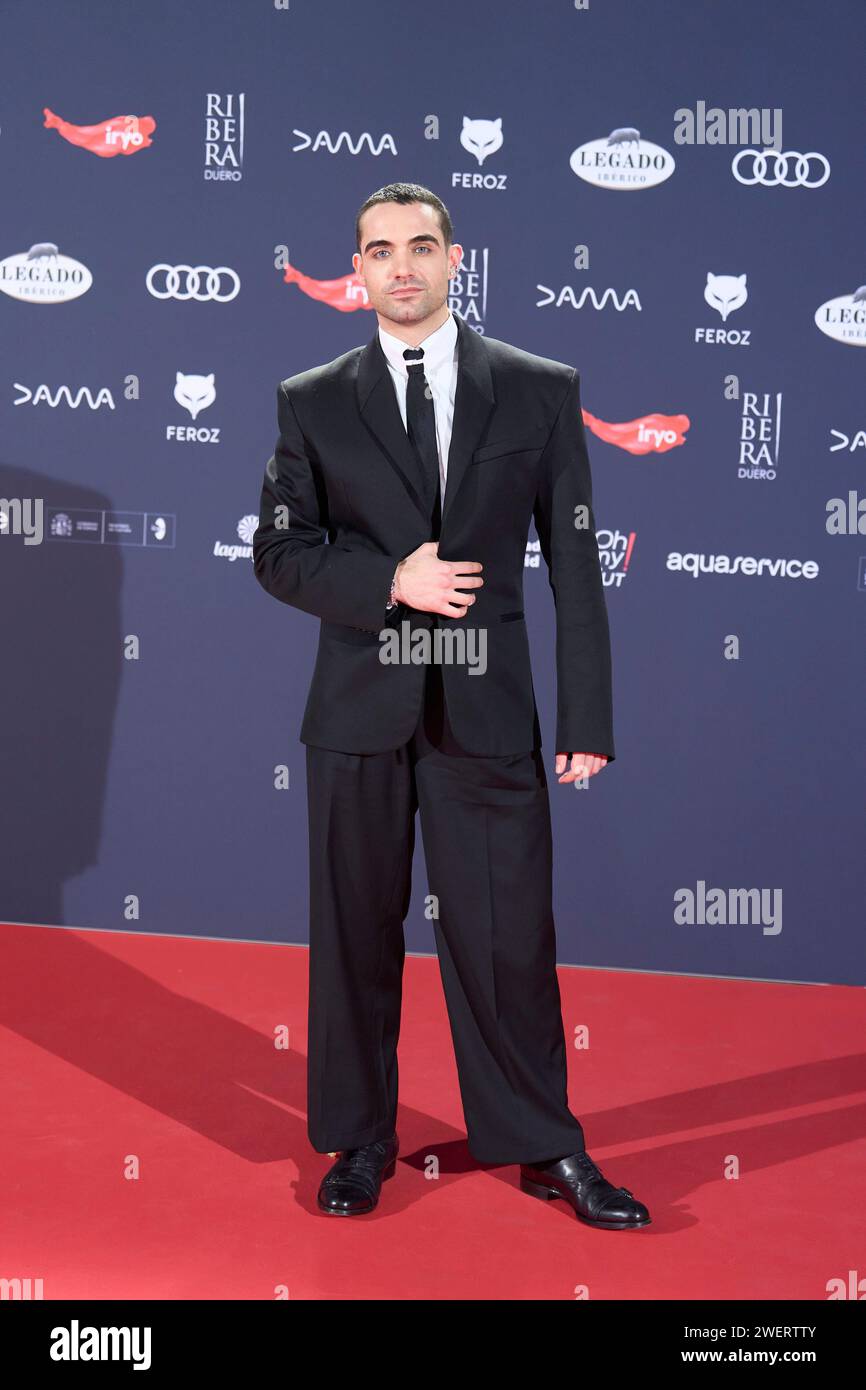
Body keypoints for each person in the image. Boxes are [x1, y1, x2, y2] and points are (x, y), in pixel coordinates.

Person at [252, 182, 650, 1231]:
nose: (400, 267)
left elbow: (575, 561)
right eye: (378, 250)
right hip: (355, 715)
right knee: (352, 937)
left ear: (453, 257)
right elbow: (280, 555)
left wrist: (585, 721)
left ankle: (542, 1144)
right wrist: (392, 581)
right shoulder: (310, 399)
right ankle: (360, 1136)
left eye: (419, 246)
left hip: (487, 712)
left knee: (510, 938)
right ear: (357, 269)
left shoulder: (536, 389)